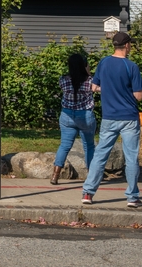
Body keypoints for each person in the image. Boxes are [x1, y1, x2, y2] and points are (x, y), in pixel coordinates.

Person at [81, 32, 142, 208]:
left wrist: (108, 90)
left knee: (101, 154)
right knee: (131, 157)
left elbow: (94, 87)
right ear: (127, 45)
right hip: (129, 117)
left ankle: (88, 192)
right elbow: (138, 96)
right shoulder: (131, 66)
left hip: (109, 116)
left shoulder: (103, 63)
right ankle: (132, 197)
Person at [51, 53, 96, 185]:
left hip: (67, 115)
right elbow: (96, 87)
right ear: (84, 65)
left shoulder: (63, 80)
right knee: (89, 146)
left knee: (64, 145)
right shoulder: (89, 81)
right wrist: (88, 72)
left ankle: (55, 175)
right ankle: (91, 175)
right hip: (85, 115)